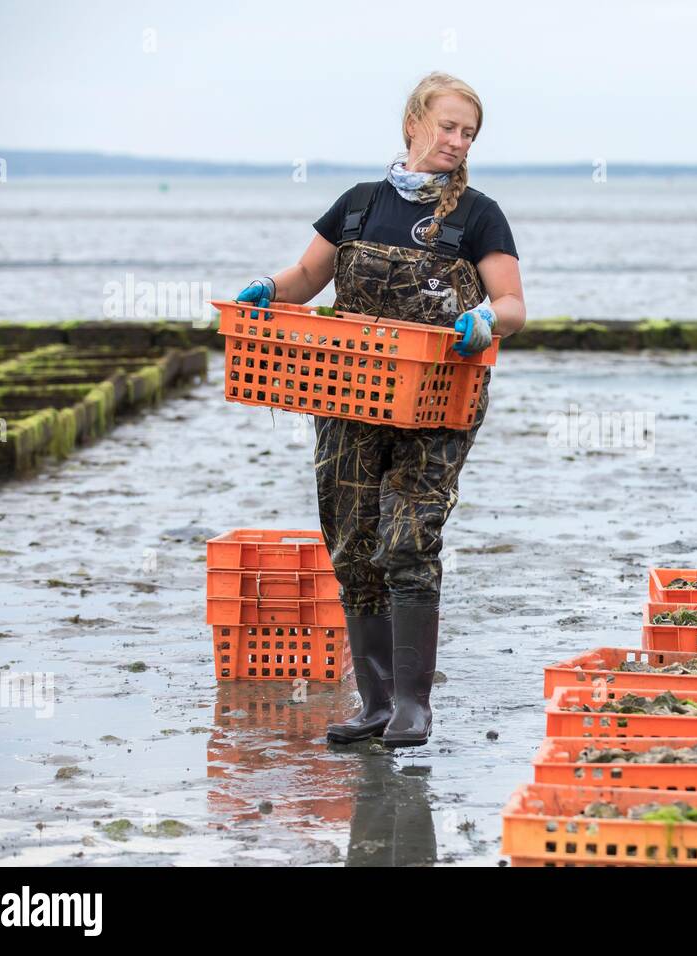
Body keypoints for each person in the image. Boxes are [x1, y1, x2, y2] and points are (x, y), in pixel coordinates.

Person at [233, 72, 525, 748]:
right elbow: (307, 278)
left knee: (408, 540)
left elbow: (513, 304)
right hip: (348, 398)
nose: (457, 141)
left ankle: (414, 707)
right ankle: (374, 704)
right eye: (449, 126)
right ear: (413, 124)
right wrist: (268, 288)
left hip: (437, 404)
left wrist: (486, 319)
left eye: (469, 134)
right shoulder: (358, 206)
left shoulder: (478, 214)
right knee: (352, 545)